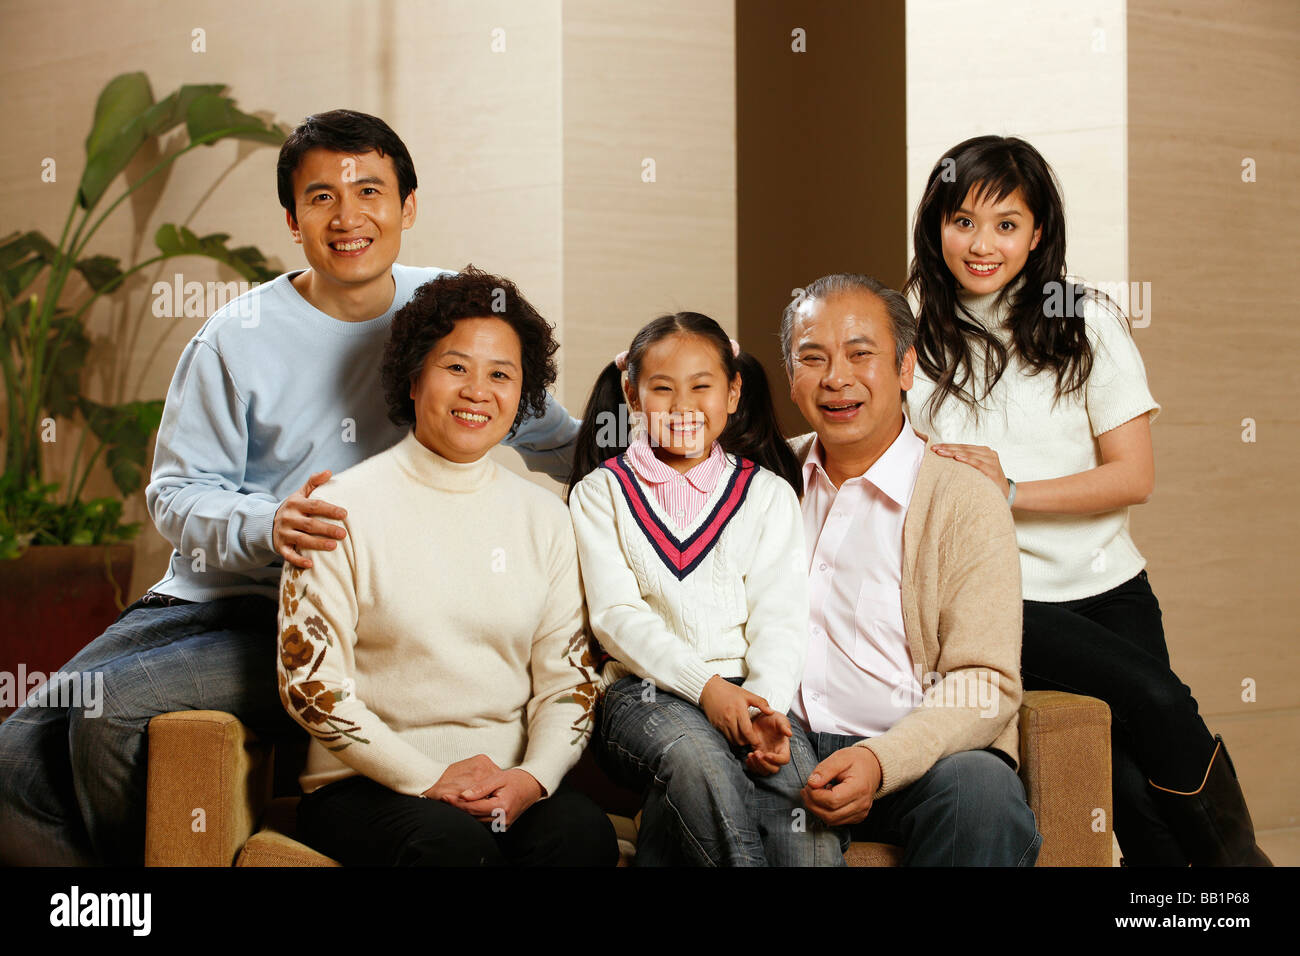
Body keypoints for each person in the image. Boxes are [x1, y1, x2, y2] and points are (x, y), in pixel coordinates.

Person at [0, 110, 580, 866]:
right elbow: (175, 494)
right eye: (321, 198)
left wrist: (686, 486)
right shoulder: (235, 337)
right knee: (15, 755)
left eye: (370, 190)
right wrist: (270, 522)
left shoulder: (450, 315)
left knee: (106, 712)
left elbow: (554, 435)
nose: (349, 217)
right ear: (291, 219)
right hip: (219, 600)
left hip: (348, 616)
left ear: (408, 206)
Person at [903, 134, 1269, 866]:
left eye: (1007, 224)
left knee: (1137, 782)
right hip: (1004, 598)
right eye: (963, 221)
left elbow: (1132, 475)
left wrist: (1006, 488)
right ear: (934, 223)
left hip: (1112, 587)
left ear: (1037, 235)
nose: (982, 244)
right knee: (1154, 718)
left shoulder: (1086, 320)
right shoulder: (911, 336)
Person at [279, 266, 615, 866]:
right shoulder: (335, 511)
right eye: (455, 367)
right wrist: (431, 779)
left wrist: (532, 778)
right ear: (413, 379)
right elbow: (311, 687)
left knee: (582, 833)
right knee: (450, 847)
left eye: (500, 375)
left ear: (523, 395)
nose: (477, 391)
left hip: (506, 782)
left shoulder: (548, 519)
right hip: (365, 787)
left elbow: (569, 684)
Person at [781, 272, 1040, 867]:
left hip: (922, 757)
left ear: (904, 368)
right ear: (793, 381)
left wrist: (881, 760)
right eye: (812, 359)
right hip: (786, 755)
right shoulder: (762, 482)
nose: (836, 378)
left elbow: (986, 681)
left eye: (860, 354)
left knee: (982, 796)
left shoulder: (962, 498)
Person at [567, 313, 840, 866]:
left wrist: (765, 707)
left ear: (733, 392)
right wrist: (708, 689)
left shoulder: (766, 495)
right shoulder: (600, 494)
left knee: (804, 823)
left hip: (752, 693)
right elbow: (616, 617)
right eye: (662, 389)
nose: (682, 405)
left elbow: (781, 618)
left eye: (702, 386)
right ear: (631, 394)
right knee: (700, 761)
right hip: (641, 694)